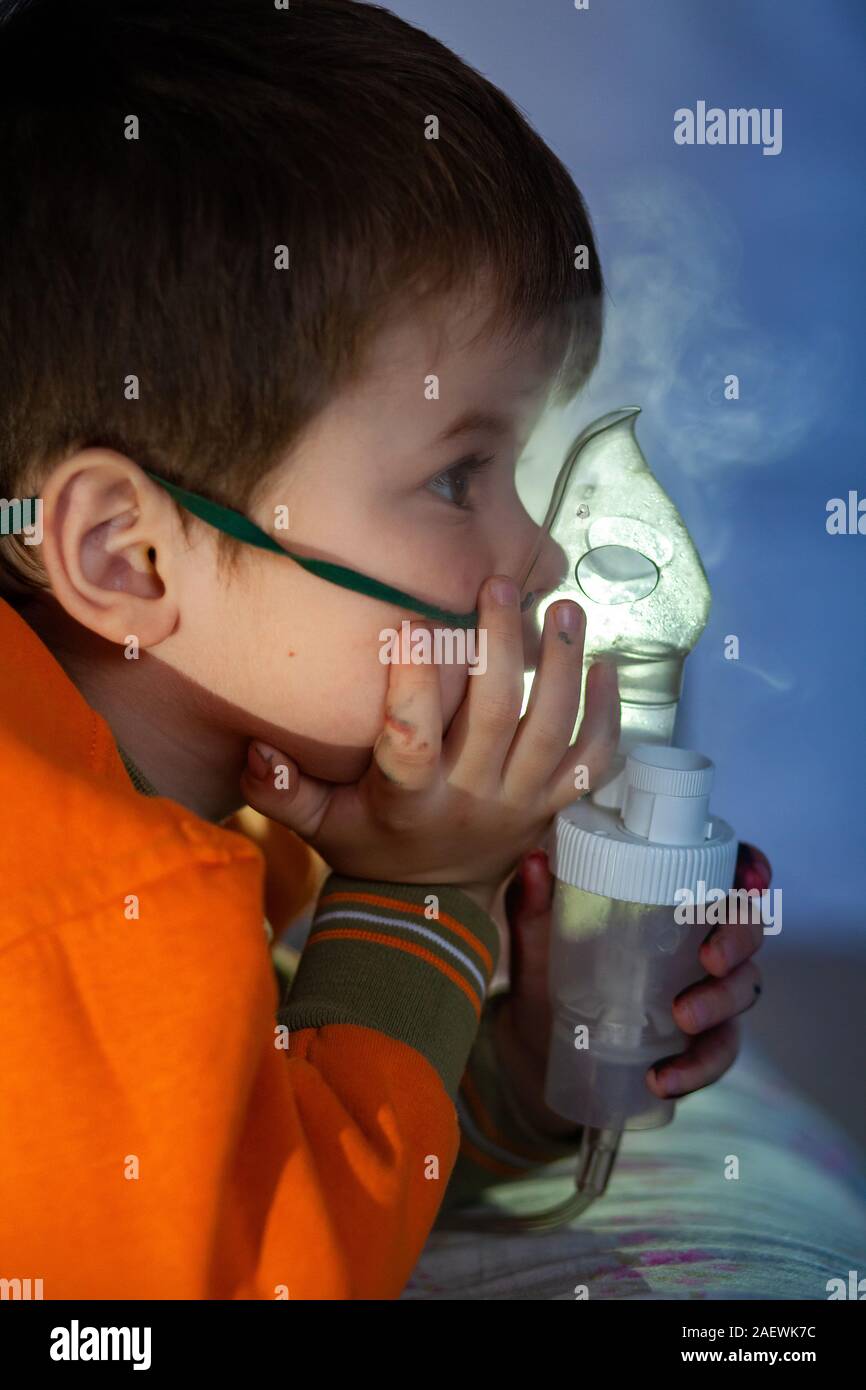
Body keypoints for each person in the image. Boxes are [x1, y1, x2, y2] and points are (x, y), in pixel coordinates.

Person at [0, 0, 768, 1299]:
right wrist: (429, 900)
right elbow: (266, 1269)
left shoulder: (207, 821)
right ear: (127, 557)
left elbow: (240, 1140)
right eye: (459, 477)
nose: (536, 559)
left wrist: (514, 1065)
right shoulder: (72, 895)